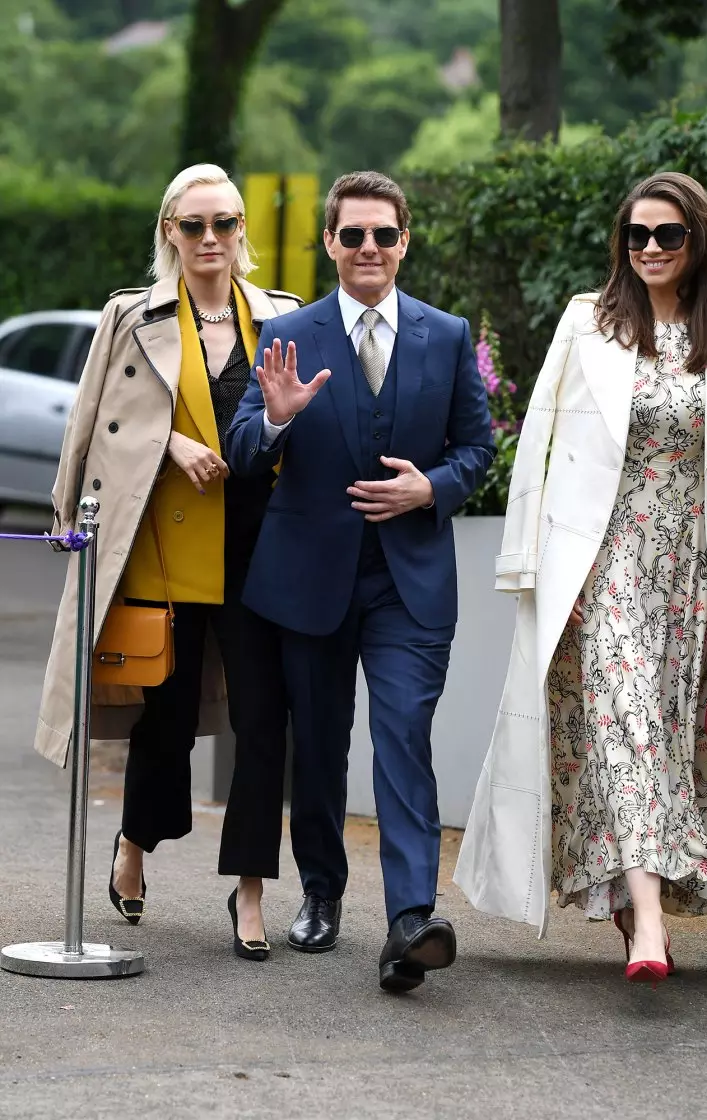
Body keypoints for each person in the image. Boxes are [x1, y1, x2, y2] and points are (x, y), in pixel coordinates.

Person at [455, 171, 707, 984]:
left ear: (698, 242)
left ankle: (628, 904)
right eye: (636, 236)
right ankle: (647, 923)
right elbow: (538, 434)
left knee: (665, 743)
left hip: (701, 575)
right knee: (627, 723)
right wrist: (526, 561)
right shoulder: (590, 323)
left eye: (667, 236)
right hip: (602, 564)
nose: (648, 249)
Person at [227, 170, 494, 992]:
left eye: (384, 234)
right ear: (329, 244)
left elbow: (477, 453)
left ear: (405, 241)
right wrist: (275, 416)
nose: (368, 248)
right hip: (307, 579)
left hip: (409, 584)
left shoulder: (446, 337)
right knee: (319, 746)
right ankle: (321, 890)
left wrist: (431, 488)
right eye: (353, 236)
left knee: (404, 737)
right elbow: (242, 450)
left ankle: (412, 919)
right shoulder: (289, 334)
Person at [35, 164, 301, 961]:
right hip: (163, 546)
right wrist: (165, 449)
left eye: (224, 223)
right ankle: (134, 844)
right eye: (194, 226)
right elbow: (88, 428)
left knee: (263, 724)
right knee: (167, 720)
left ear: (242, 231)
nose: (210, 239)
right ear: (169, 234)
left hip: (260, 549)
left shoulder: (283, 317)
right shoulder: (130, 316)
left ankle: (250, 890)